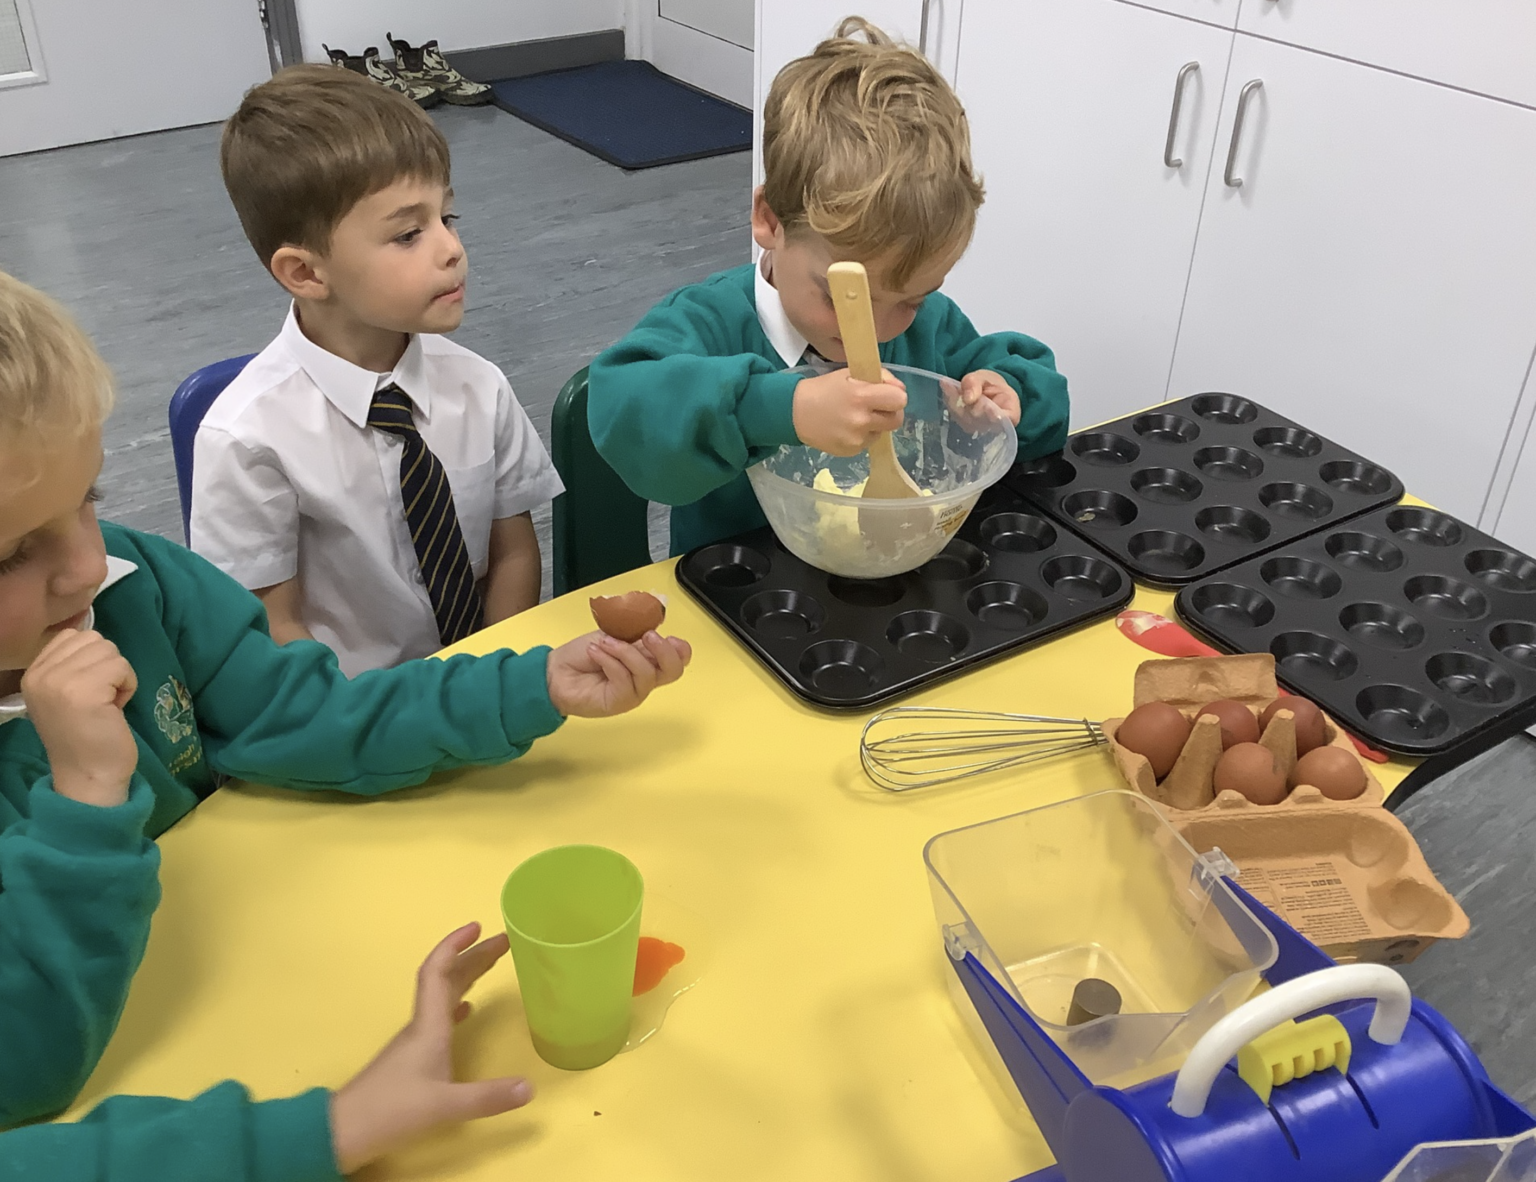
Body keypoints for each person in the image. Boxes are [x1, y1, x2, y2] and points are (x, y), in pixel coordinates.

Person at [0, 271, 691, 1175]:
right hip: (160, 1091)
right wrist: (88, 797)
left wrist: (530, 687)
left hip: (275, 978)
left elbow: (307, 714)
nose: (89, 563)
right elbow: (25, 1072)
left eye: (89, 498)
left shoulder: (141, 586)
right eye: (14, 550)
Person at [588, 18, 1070, 557]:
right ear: (771, 220)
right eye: (846, 298)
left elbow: (1041, 392)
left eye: (910, 298)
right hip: (735, 595)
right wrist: (778, 409)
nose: (881, 327)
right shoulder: (709, 324)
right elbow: (620, 407)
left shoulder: (930, 329)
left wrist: (1009, 398)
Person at [191, 65, 563, 676]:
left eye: (450, 218)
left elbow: (514, 552)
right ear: (306, 273)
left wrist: (489, 680)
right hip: (350, 720)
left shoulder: (479, 385)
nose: (451, 248)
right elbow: (271, 628)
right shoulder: (247, 439)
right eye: (409, 234)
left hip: (480, 693)